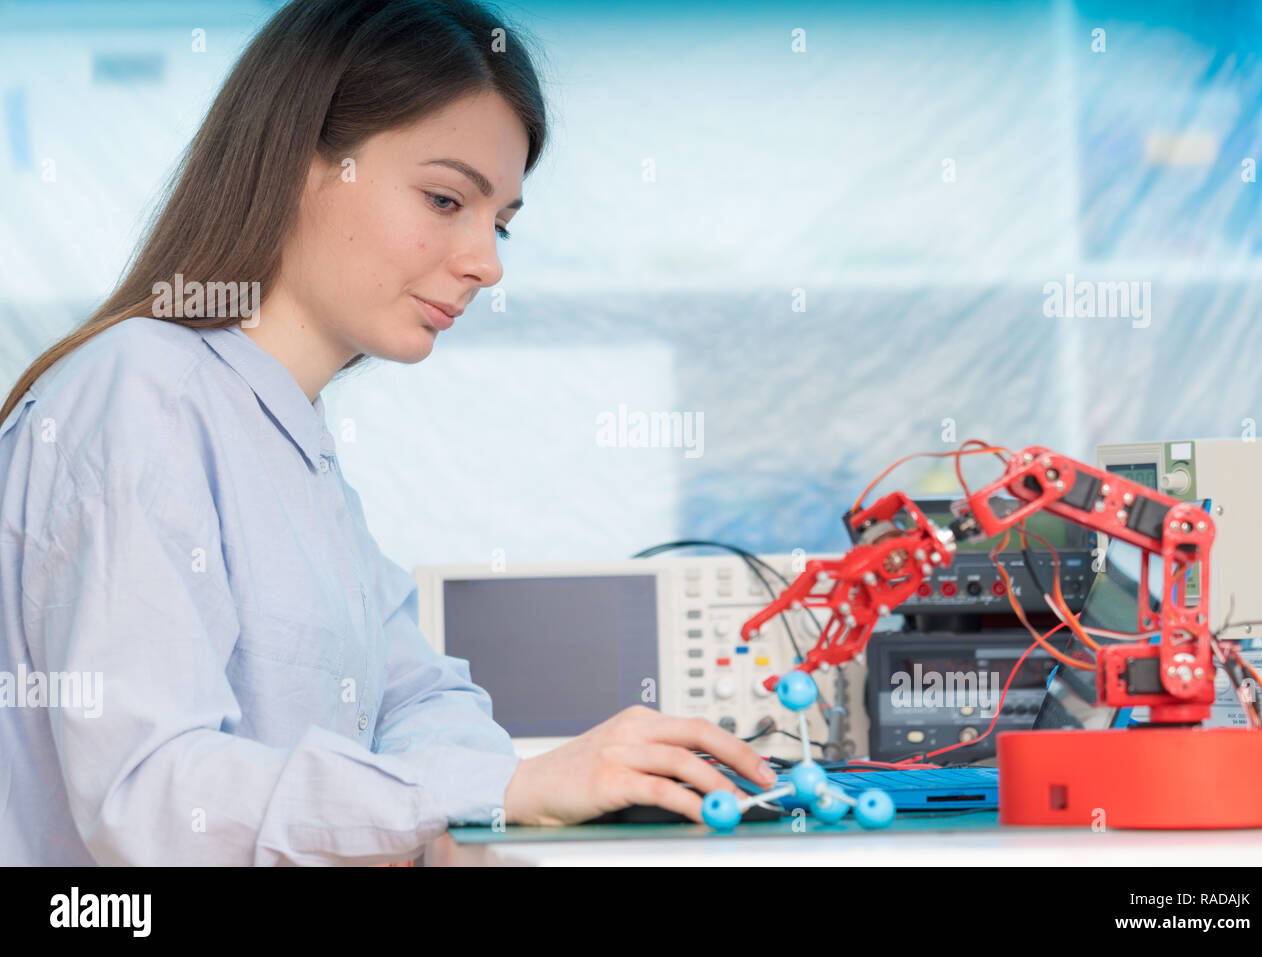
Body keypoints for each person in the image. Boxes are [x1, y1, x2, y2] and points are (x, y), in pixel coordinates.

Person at [0, 0, 774, 866]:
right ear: (300, 163)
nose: (488, 262)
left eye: (501, 221)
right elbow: (151, 793)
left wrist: (552, 779)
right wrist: (494, 790)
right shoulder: (143, 391)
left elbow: (419, 693)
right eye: (447, 199)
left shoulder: (298, 448)